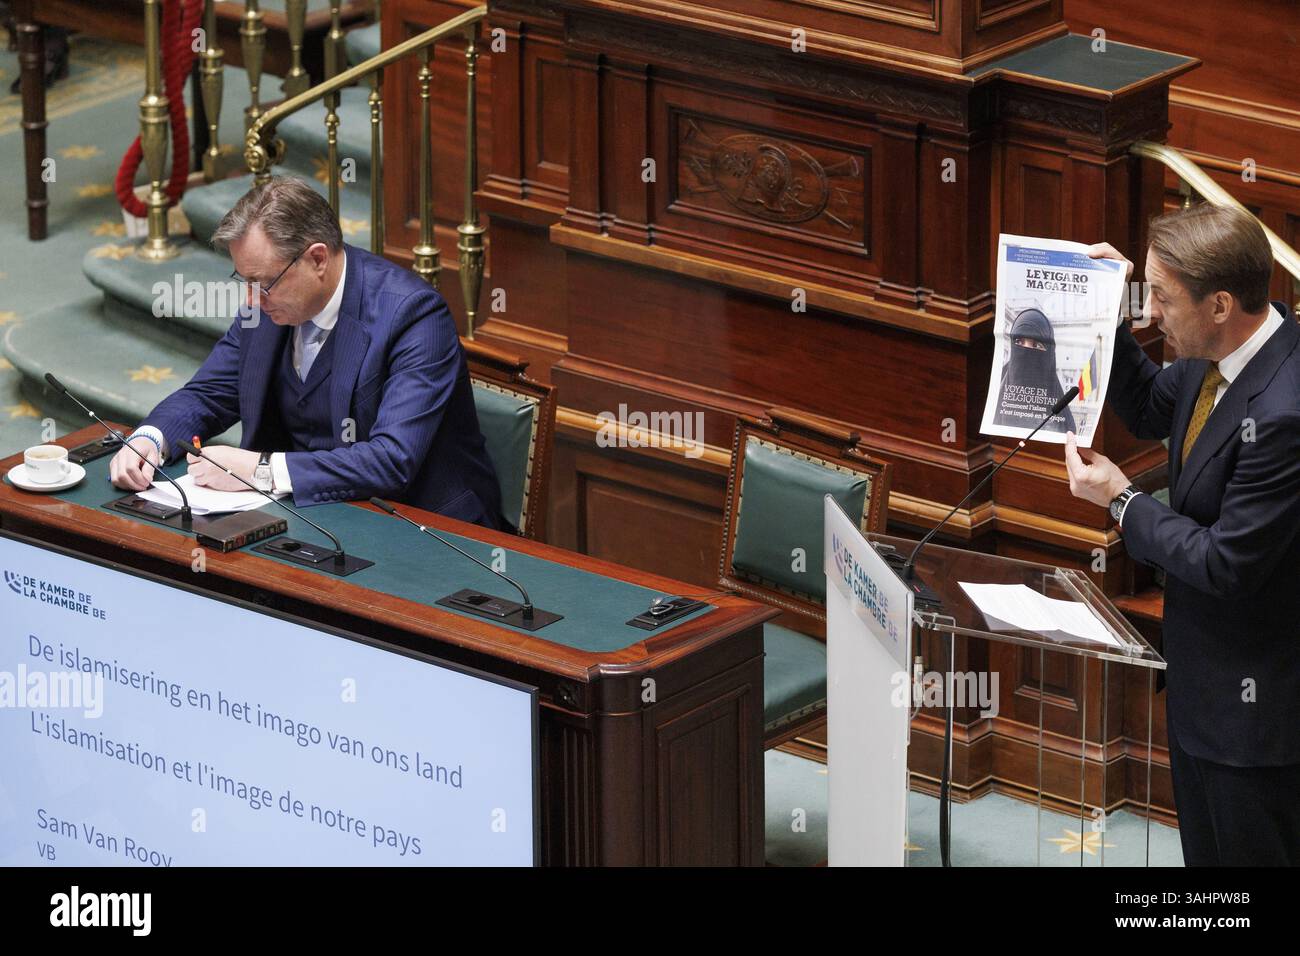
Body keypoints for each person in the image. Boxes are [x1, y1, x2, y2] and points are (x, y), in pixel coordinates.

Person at [1064, 203, 1300, 865]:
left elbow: (1228, 562)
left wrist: (1122, 502)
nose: (1153, 311)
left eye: (1161, 297)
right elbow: (1147, 409)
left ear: (1220, 303)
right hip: (1203, 688)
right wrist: (1110, 320)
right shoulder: (1214, 355)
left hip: (1255, 717)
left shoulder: (1284, 411)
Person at [110, 177, 505, 530]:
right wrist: (151, 437)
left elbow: (392, 459)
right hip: (301, 519)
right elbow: (209, 392)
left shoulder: (412, 315)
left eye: (264, 282)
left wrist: (262, 470)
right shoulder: (263, 308)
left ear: (317, 258)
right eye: (245, 281)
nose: (252, 299)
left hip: (418, 528)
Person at [992, 306, 1077, 433]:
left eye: (1037, 345)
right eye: (1019, 342)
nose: (1026, 351)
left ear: (1050, 354)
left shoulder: (1065, 424)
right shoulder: (992, 394)